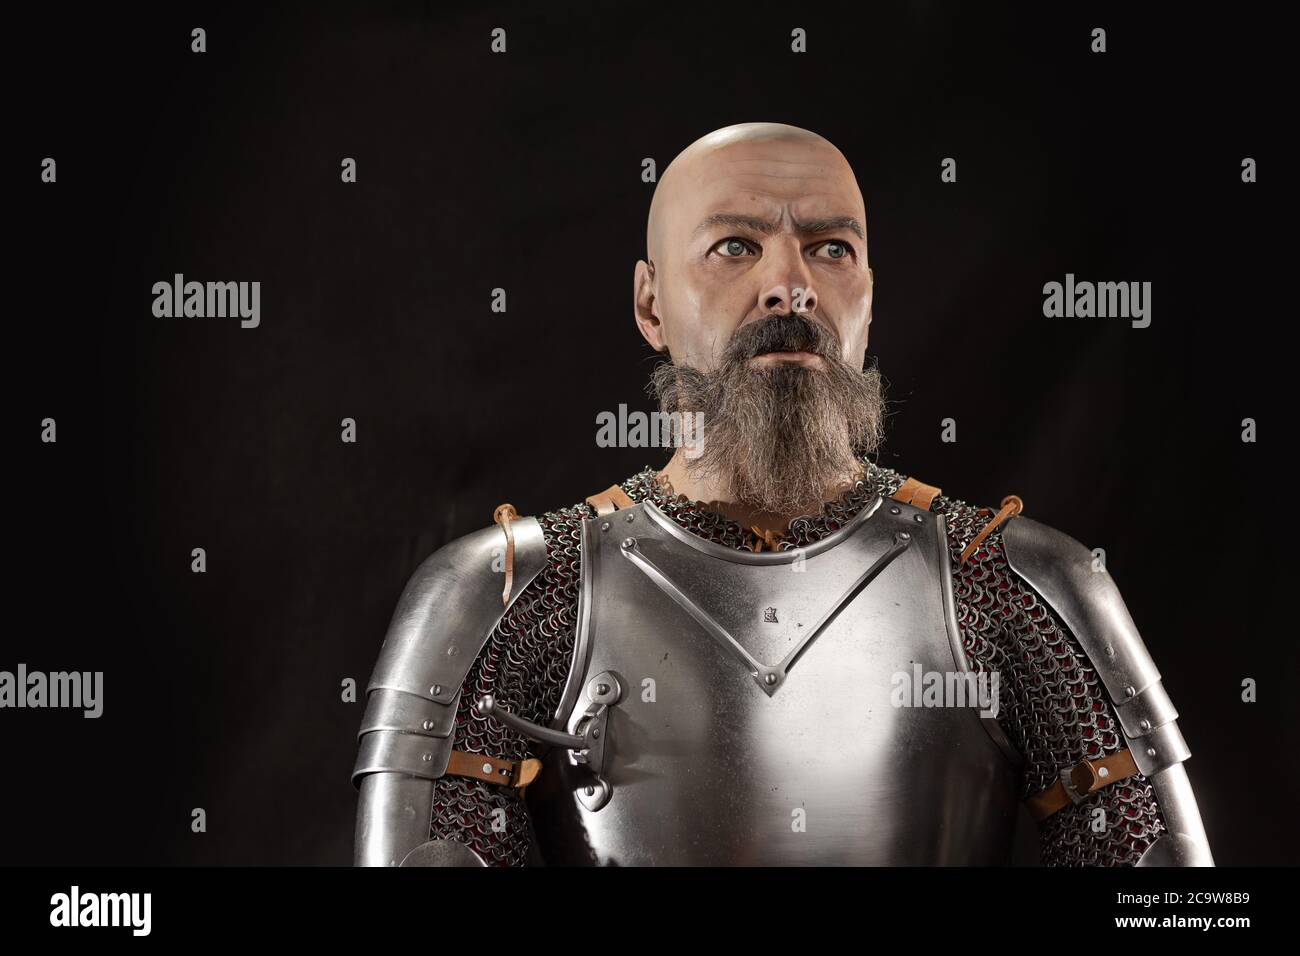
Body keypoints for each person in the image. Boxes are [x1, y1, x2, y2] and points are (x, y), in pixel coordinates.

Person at [350, 122, 1213, 866]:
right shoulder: (501, 598)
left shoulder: (1024, 583)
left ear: (868, 299)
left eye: (831, 248)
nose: (791, 284)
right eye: (737, 245)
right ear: (652, 304)